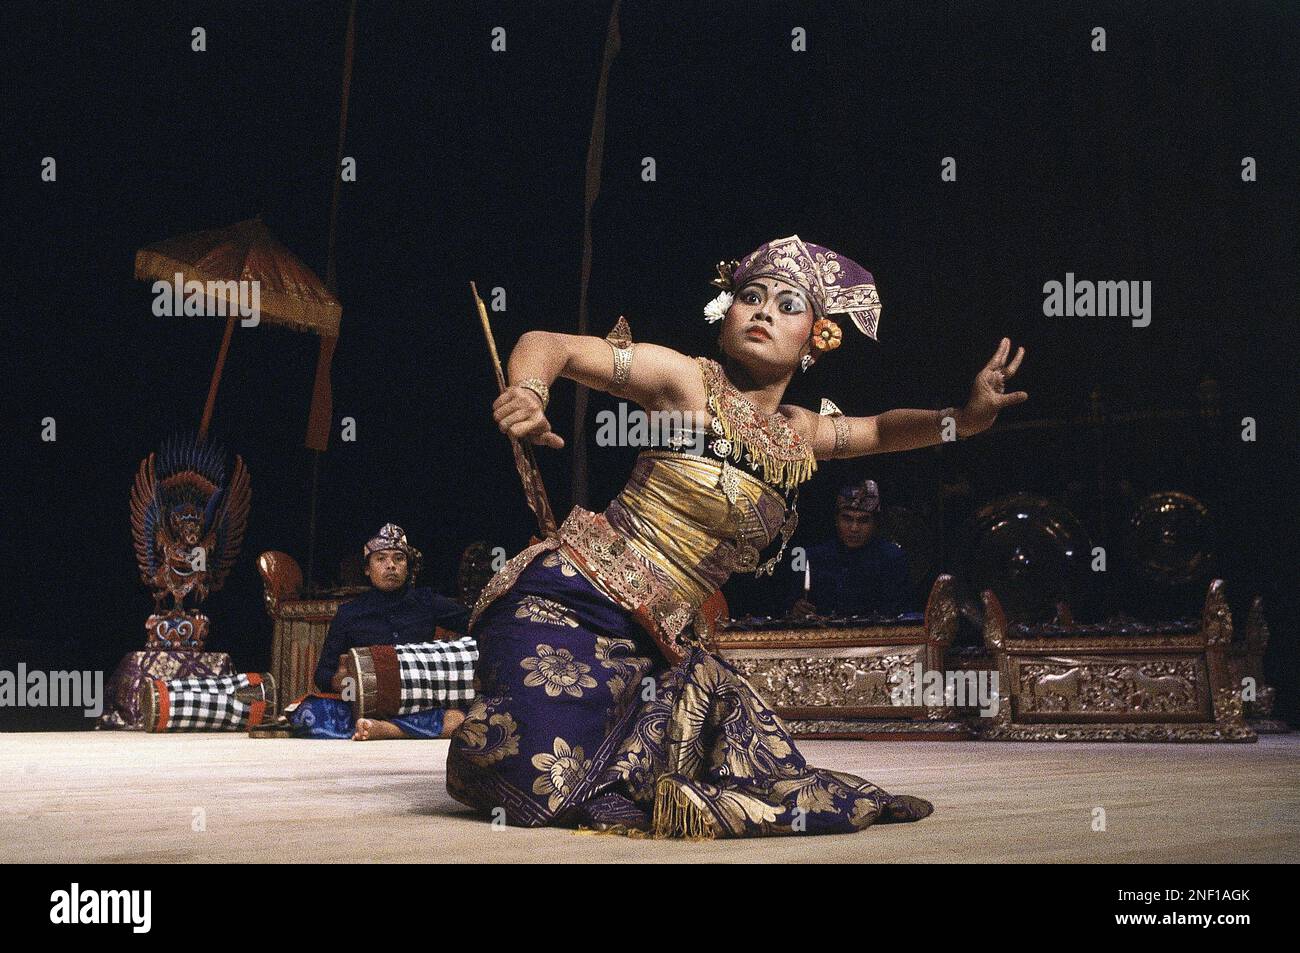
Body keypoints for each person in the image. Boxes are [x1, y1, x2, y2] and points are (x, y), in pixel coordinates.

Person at [448, 235, 1027, 836]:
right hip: (566, 602)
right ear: (725, 315)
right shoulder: (685, 384)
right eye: (751, 298)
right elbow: (549, 345)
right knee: (534, 775)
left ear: (815, 339)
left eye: (787, 306)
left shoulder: (801, 434)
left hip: (655, 641)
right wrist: (529, 392)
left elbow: (881, 431)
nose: (763, 312)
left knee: (722, 760)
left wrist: (968, 419)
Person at [288, 523, 472, 740]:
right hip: (368, 704)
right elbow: (323, 675)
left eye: (399, 559)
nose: (391, 565)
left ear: (408, 567)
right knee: (307, 714)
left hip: (417, 703)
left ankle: (387, 730)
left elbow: (475, 622)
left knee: (461, 717)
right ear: (367, 569)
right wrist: (344, 681)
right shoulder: (349, 613)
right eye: (381, 558)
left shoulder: (427, 602)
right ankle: (386, 727)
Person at [787, 479, 911, 617]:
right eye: (847, 519)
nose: (854, 528)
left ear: (876, 523)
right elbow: (790, 605)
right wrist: (796, 609)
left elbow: (900, 612)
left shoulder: (893, 559)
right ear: (836, 520)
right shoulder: (811, 557)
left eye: (863, 520)